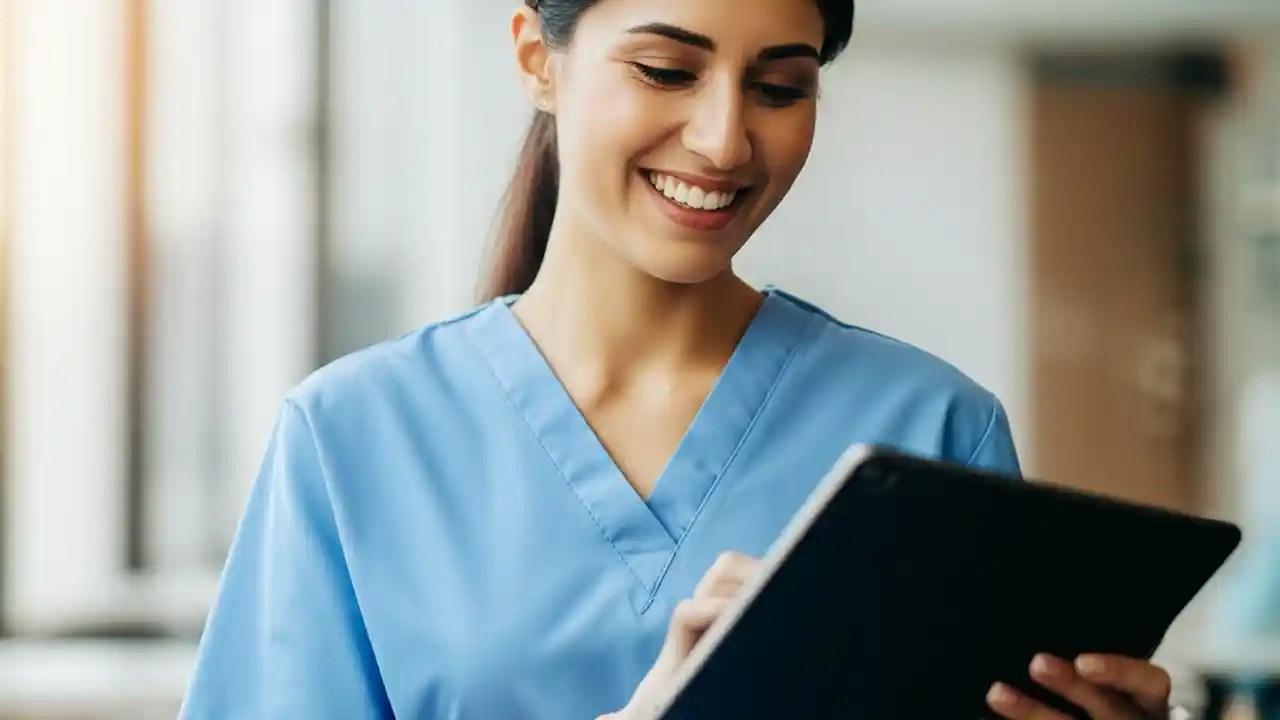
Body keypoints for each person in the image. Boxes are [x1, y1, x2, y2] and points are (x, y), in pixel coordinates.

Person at [181, 1, 1177, 717]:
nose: (723, 139)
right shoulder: (354, 436)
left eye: (779, 86)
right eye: (665, 71)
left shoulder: (930, 424)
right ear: (537, 55)